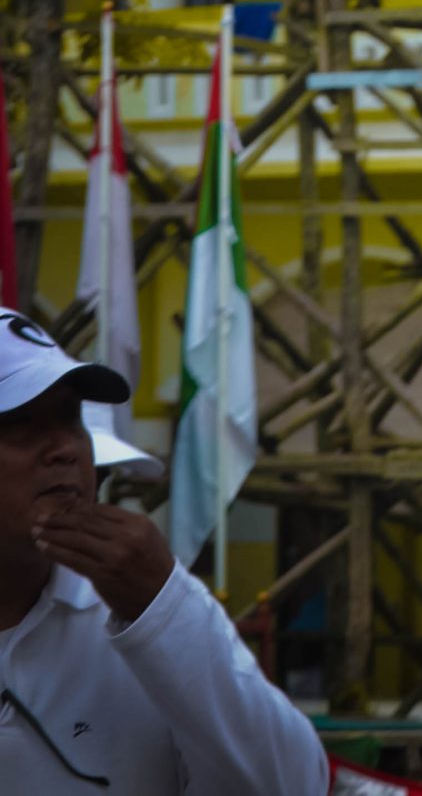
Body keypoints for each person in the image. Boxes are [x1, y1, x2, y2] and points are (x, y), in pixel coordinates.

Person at [0, 305, 328, 793]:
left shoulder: (140, 616)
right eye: (22, 423)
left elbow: (292, 786)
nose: (66, 449)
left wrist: (164, 609)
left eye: (71, 419)